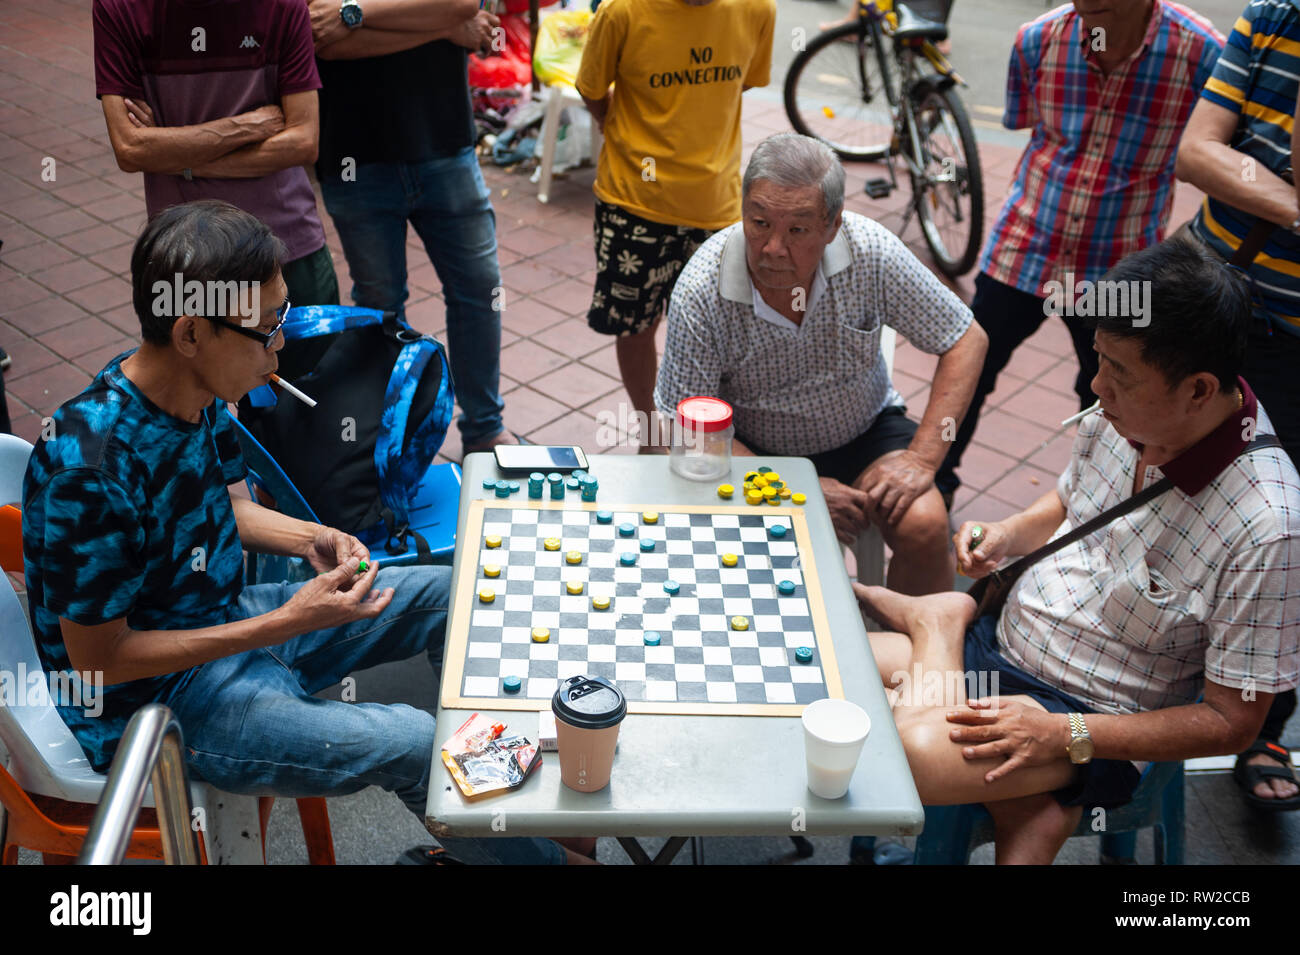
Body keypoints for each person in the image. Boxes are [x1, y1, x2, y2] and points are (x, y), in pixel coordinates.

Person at [23, 201, 587, 865]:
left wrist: (306, 535)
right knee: (413, 742)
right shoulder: (89, 468)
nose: (281, 344)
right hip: (156, 709)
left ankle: (513, 825)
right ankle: (554, 862)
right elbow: (98, 660)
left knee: (454, 596)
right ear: (190, 332)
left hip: (225, 617)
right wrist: (284, 621)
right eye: (267, 329)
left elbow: (198, 508)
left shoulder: (182, 391)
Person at [857, 238, 1300, 863]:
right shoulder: (1128, 412)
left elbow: (1233, 723)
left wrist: (1065, 734)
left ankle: (938, 622)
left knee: (914, 755)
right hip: (998, 644)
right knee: (821, 667)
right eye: (1099, 359)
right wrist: (1009, 534)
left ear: (1200, 390)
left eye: (1119, 373)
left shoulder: (1270, 527)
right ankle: (949, 639)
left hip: (1091, 713)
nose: (1097, 386)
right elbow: (1072, 501)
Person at [655, 133, 988, 596]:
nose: (772, 248)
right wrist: (796, 489)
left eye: (797, 230)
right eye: (759, 222)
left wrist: (922, 457)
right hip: (753, 447)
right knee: (769, 548)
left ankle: (914, 656)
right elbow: (684, 424)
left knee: (926, 525)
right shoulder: (702, 289)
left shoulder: (870, 252)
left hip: (865, 431)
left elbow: (966, 339)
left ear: (831, 225)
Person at [934, 0, 1224, 510]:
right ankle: (937, 488)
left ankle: (1096, 510)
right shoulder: (1038, 39)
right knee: (971, 369)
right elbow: (1034, 130)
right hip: (1027, 243)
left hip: (1119, 261)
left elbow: (1212, 152)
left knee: (1114, 394)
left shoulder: (1201, 53)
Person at [1175, 0, 1300, 811]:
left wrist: (1249, 177)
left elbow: (1227, 158)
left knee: (1281, 523)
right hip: (1204, 293)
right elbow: (1196, 152)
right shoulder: (1272, 18)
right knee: (1139, 453)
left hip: (1293, 339)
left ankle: (1257, 723)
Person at [308, 0, 517, 457]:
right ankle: (391, 440)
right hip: (353, 156)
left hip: (446, 144)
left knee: (479, 290)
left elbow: (459, 6)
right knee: (380, 306)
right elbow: (323, 40)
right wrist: (444, 29)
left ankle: (484, 427)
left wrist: (355, 14)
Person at [575, 0, 776, 444]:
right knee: (635, 325)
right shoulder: (621, 12)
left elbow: (739, 83)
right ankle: (650, 432)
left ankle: (704, 431)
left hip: (717, 205)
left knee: (719, 333)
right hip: (633, 201)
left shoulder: (756, 9)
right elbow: (591, 87)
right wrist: (622, 129)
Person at [92, 0, 339, 311]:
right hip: (185, 255)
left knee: (304, 359)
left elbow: (302, 142)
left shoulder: (285, 7)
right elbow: (131, 149)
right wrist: (245, 126)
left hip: (287, 246)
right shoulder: (119, 8)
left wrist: (177, 160)